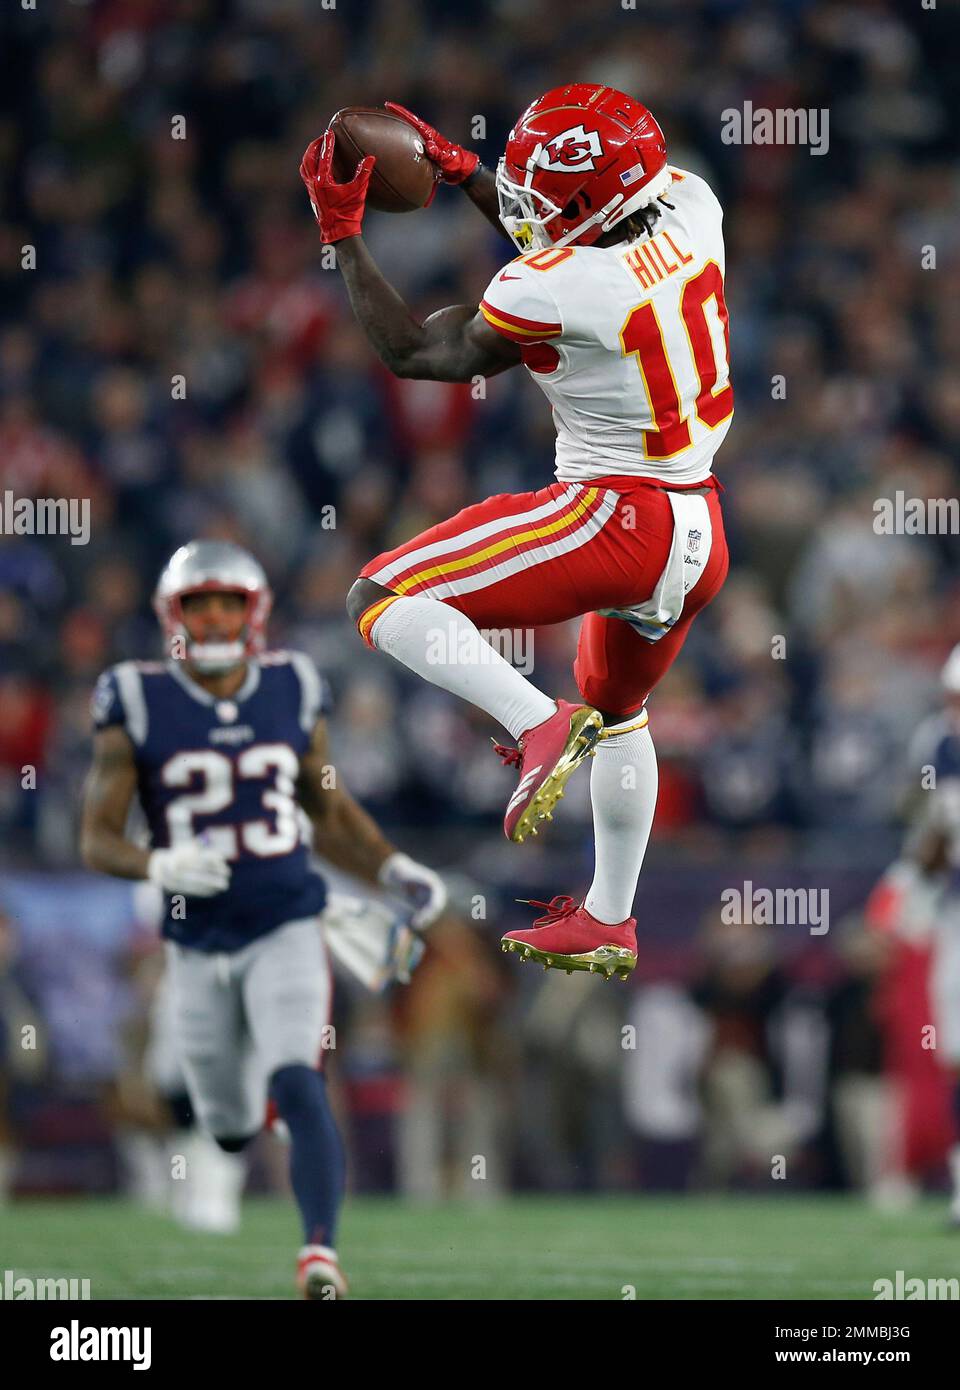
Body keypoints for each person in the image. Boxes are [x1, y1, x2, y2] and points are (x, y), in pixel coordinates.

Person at [300, 83, 733, 980]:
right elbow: (573, 235)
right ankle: (611, 916)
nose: (526, 205)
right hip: (699, 534)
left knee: (379, 594)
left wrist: (341, 235)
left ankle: (538, 724)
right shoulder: (693, 203)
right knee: (622, 717)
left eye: (542, 194)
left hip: (615, 513)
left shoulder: (554, 288)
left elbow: (418, 354)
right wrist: (462, 172)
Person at [80, 540, 446, 1297]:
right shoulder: (135, 696)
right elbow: (97, 837)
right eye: (198, 604)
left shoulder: (292, 684)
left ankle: (320, 1254)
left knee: (300, 1078)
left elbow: (328, 805)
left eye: (228, 603)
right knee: (225, 1120)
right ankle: (243, 1117)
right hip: (195, 940)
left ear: (256, 613)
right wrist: (157, 865)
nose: (214, 618)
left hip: (285, 920)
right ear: (171, 615)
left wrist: (390, 867)